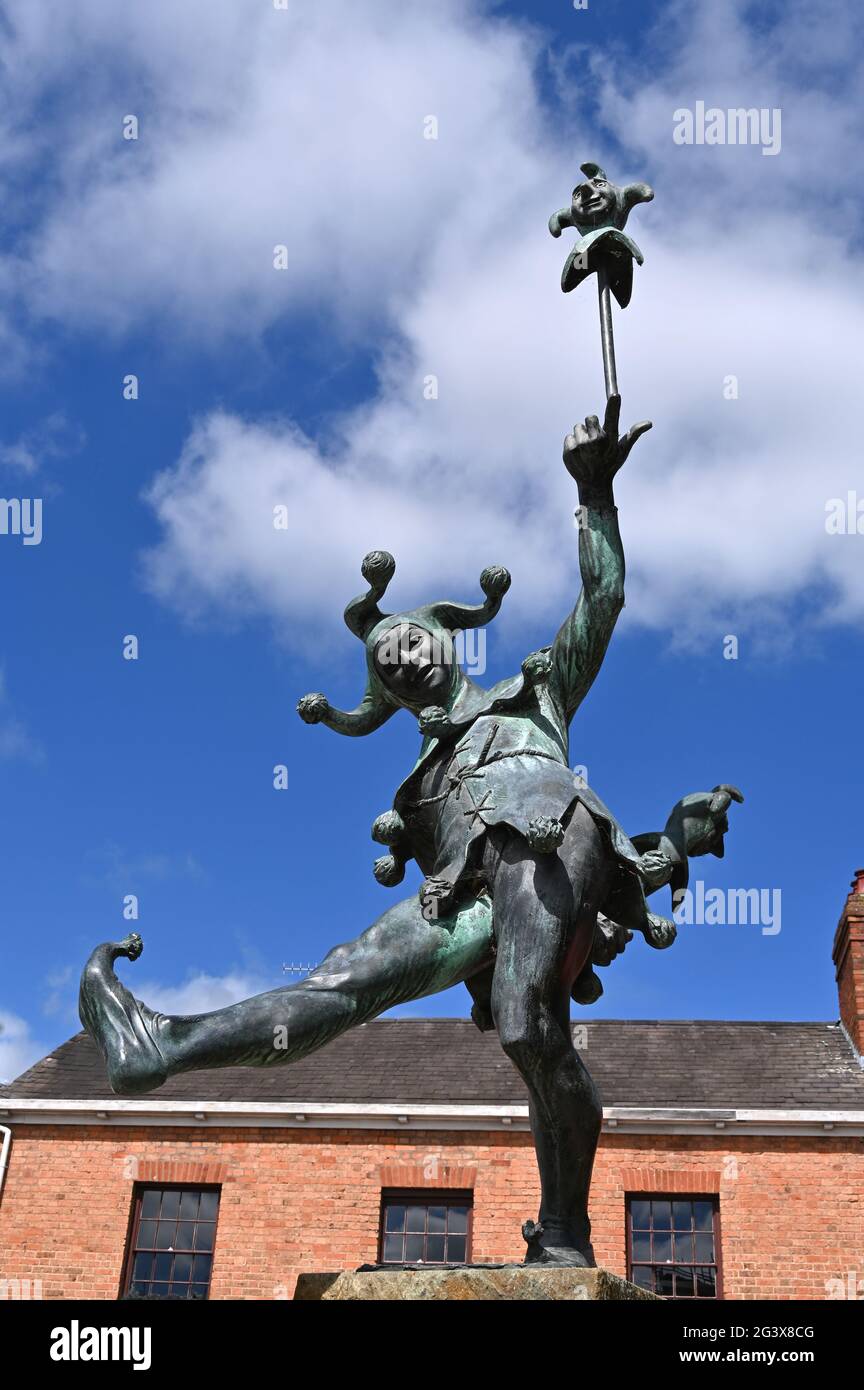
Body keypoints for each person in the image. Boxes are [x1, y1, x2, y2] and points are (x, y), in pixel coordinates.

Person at [80, 393, 666, 1268]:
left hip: (549, 837)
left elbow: (605, 596)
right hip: (467, 889)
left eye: (411, 639)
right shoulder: (420, 791)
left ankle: (566, 1230)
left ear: (446, 644)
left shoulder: (535, 695)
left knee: (521, 1020)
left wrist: (595, 497)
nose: (401, 654)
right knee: (342, 983)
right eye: (385, 661)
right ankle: (161, 1044)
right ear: (389, 695)